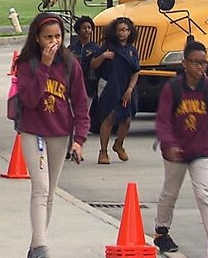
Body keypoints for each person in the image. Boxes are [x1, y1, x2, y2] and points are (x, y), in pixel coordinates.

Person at [153, 40, 208, 258]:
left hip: (199, 149)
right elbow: (163, 120)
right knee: (170, 192)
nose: (200, 67)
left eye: (204, 63)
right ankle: (161, 232)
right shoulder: (173, 89)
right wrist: (169, 144)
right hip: (175, 150)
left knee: (203, 193)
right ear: (184, 64)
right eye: (195, 62)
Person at [15, 13, 91, 258]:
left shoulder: (70, 64)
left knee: (50, 192)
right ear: (37, 38)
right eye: (48, 37)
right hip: (33, 131)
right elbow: (29, 100)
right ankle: (40, 246)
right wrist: (44, 67)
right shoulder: (27, 64)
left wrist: (79, 140)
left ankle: (36, 246)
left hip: (59, 133)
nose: (54, 42)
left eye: (57, 36)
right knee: (40, 187)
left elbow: (80, 103)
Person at [90, 16, 140, 164]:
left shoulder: (132, 50)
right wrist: (103, 56)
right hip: (109, 86)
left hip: (126, 87)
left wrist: (130, 89)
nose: (121, 33)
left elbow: (136, 71)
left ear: (130, 32)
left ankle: (118, 144)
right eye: (119, 30)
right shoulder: (107, 46)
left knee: (127, 119)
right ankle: (103, 152)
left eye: (124, 30)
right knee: (109, 117)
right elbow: (93, 64)